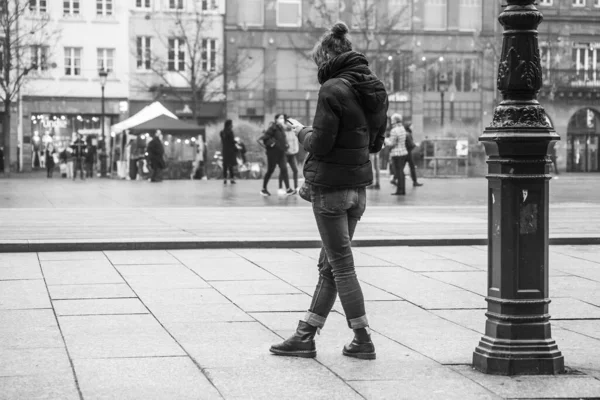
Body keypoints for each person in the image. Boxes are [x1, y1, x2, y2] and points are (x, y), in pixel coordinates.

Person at [269, 22, 388, 360]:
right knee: (330, 265)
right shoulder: (375, 88)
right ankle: (305, 335)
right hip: (358, 191)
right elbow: (375, 143)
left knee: (341, 265)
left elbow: (320, 143)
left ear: (326, 57)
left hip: (331, 190)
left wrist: (302, 130)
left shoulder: (332, 89)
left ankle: (363, 338)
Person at [258, 114, 294, 196]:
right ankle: (263, 189)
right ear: (276, 119)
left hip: (281, 153)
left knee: (284, 169)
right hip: (272, 153)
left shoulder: (281, 128)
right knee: (270, 170)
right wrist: (272, 144)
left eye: (283, 118)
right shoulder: (273, 128)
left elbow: (282, 139)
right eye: (280, 118)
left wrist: (286, 145)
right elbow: (264, 138)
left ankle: (288, 189)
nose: (282, 119)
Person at [386, 114, 408, 195]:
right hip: (403, 152)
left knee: (398, 173)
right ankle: (402, 190)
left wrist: (385, 140)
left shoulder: (394, 130)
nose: (391, 122)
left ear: (395, 121)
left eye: (392, 120)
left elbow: (392, 143)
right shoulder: (402, 129)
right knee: (401, 172)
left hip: (396, 154)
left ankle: (400, 190)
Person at [279, 121, 300, 192]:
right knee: (283, 170)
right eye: (287, 125)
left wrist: (295, 151)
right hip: (284, 155)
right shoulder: (282, 133)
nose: (288, 126)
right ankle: (280, 188)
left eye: (289, 125)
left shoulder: (293, 133)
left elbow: (296, 143)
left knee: (295, 170)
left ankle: (296, 187)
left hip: (292, 155)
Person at [220, 120, 238, 184]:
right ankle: (232, 179)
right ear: (229, 125)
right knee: (230, 165)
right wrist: (236, 142)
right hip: (230, 150)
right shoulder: (230, 132)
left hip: (225, 150)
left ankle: (225, 179)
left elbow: (223, 141)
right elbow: (232, 141)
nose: (232, 125)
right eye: (231, 124)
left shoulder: (222, 132)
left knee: (225, 165)